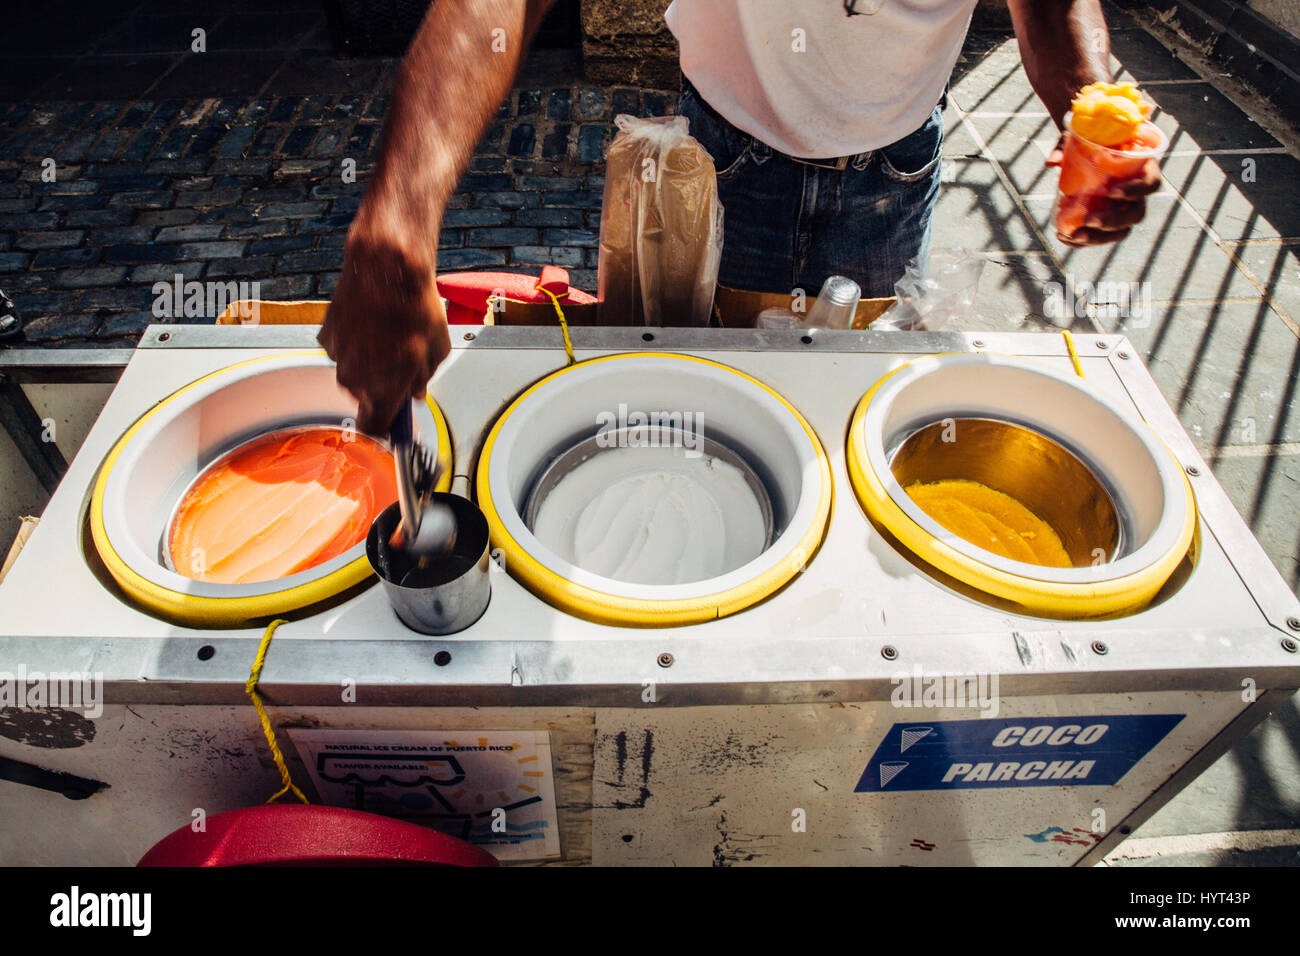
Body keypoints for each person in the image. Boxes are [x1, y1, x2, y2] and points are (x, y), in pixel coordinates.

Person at [320, 0, 1159, 435]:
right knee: (687, 417)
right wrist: (397, 215)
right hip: (724, 165)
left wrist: (1092, 113)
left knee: (845, 426)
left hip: (894, 173)